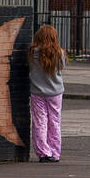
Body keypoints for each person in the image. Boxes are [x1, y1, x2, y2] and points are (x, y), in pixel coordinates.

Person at [29, 24, 65, 163]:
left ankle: (43, 152)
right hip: (56, 92)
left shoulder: (33, 53)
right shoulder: (59, 53)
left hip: (37, 92)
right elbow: (61, 69)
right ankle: (55, 152)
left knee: (40, 122)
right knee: (54, 121)